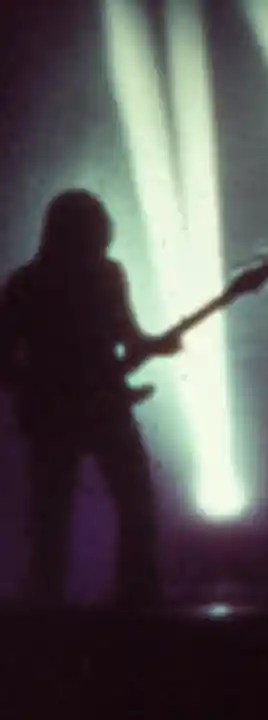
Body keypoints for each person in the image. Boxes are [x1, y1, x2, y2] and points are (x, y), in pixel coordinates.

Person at [0, 190, 180, 607]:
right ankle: (128, 600)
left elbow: (127, 336)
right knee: (113, 503)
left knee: (60, 510)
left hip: (76, 408)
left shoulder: (42, 280)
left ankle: (65, 602)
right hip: (81, 407)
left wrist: (153, 344)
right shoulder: (35, 283)